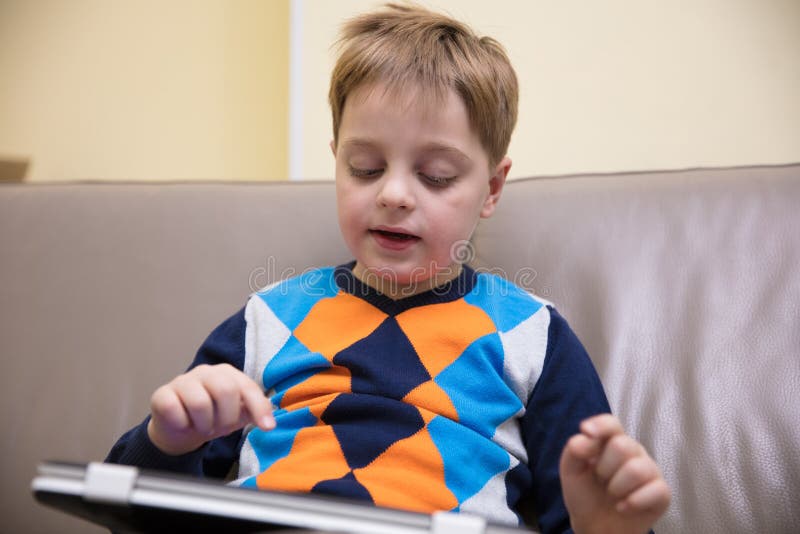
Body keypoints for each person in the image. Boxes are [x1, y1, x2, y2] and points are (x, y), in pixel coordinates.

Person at [107, 3, 670, 533]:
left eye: (437, 176)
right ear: (337, 164)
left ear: (492, 188)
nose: (395, 194)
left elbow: (587, 505)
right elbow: (143, 511)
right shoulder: (268, 320)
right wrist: (167, 441)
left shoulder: (532, 336)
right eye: (366, 167)